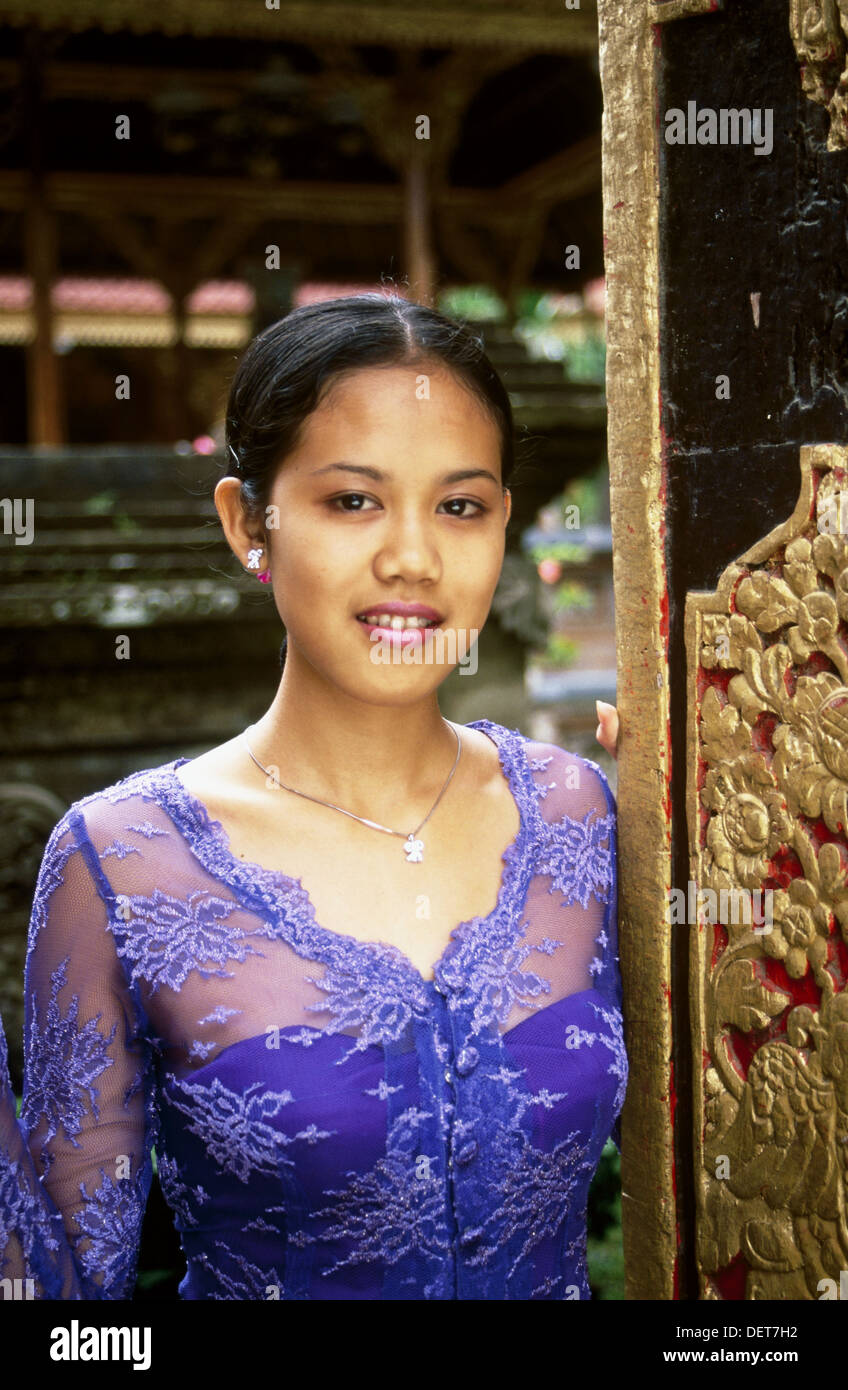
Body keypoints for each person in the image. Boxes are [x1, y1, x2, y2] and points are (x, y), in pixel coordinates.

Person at [0, 294, 625, 1300]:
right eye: (353, 501)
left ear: (504, 521)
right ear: (250, 522)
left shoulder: (577, 813)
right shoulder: (119, 860)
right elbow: (64, 1298)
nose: (413, 559)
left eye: (459, 505)